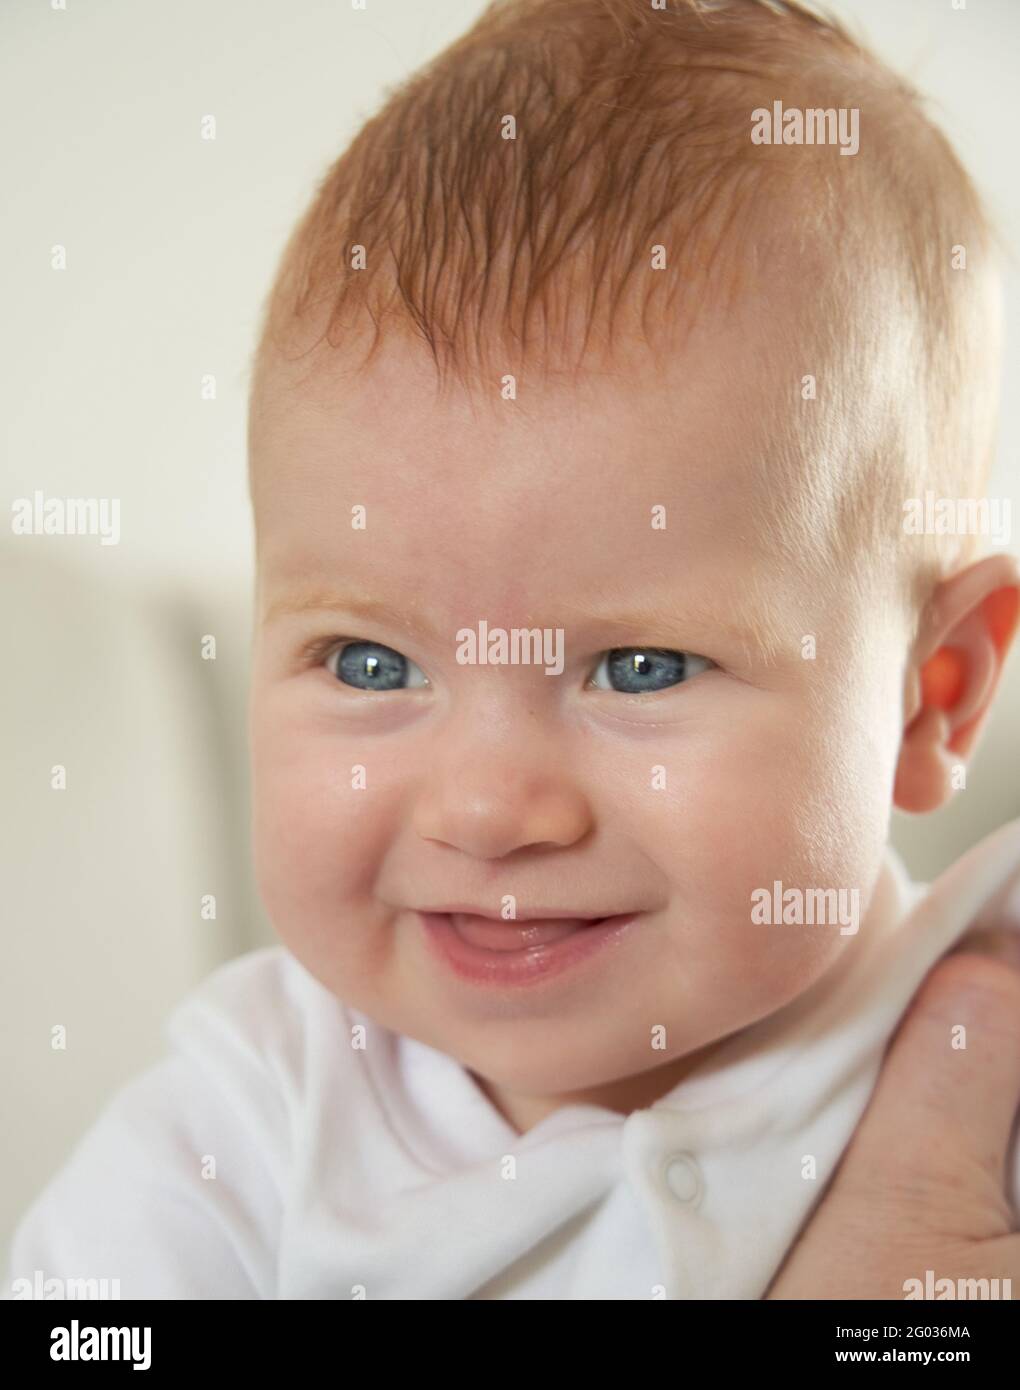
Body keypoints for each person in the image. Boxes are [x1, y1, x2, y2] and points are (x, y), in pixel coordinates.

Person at [7, 0, 1020, 1298]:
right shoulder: (240, 1133)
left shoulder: (981, 1053)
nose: (487, 809)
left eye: (640, 668)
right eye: (371, 665)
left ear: (933, 692)